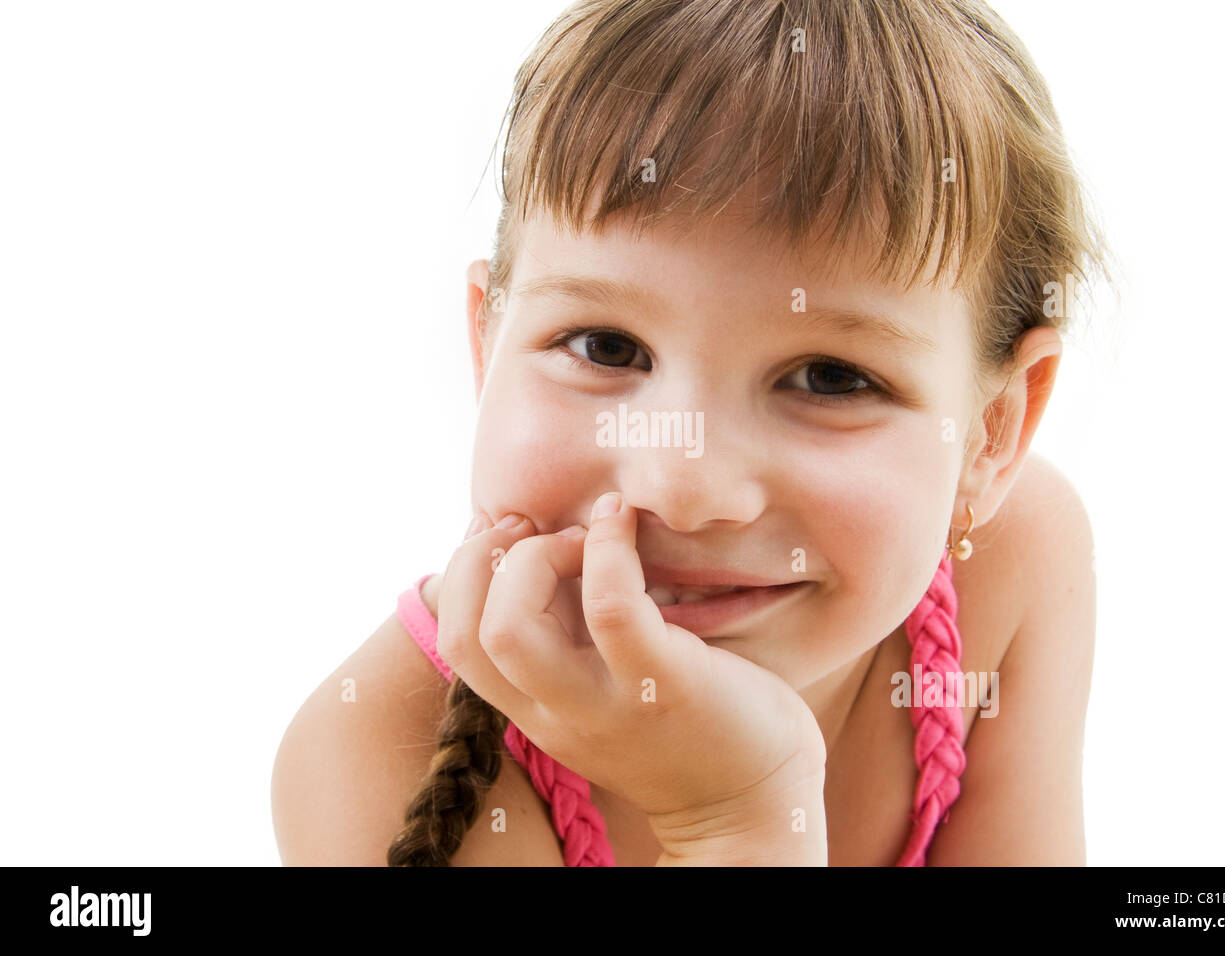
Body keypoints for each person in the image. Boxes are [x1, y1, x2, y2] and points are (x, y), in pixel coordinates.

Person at [272, 0, 1108, 866]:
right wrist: (741, 820)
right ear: (488, 349)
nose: (684, 486)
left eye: (831, 377)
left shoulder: (1016, 564)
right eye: (606, 346)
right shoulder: (373, 753)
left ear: (991, 436)